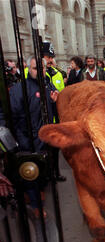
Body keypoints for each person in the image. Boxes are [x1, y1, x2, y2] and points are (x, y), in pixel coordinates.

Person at [9, 56, 58, 217]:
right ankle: (35, 205)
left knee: (43, 170)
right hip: (28, 138)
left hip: (46, 137)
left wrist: (53, 102)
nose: (39, 71)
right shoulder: (20, 89)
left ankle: (36, 194)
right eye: (35, 68)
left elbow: (51, 109)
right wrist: (21, 140)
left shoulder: (47, 84)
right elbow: (13, 117)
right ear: (29, 70)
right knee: (30, 172)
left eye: (42, 68)